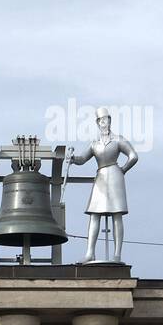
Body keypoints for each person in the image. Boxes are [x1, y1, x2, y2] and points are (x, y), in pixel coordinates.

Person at [66, 107, 138, 263]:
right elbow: (83, 159)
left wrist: (123, 169)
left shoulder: (118, 140)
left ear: (110, 120)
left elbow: (133, 156)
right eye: (100, 120)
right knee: (94, 213)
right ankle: (90, 253)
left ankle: (117, 255)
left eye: (106, 118)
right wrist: (72, 159)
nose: (103, 122)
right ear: (97, 122)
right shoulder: (94, 144)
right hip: (101, 178)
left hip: (115, 175)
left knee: (116, 214)